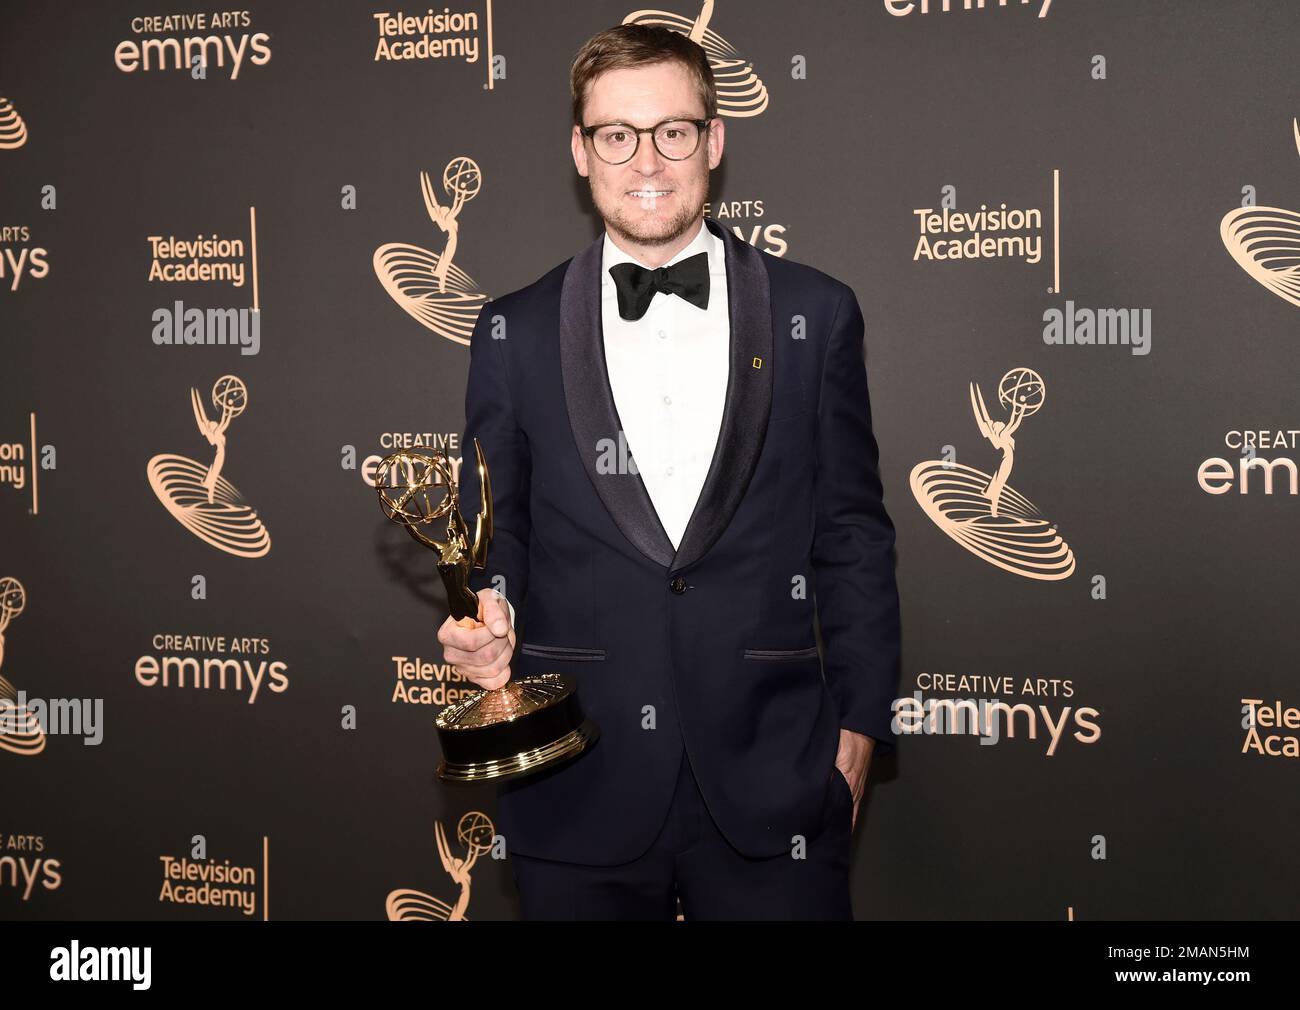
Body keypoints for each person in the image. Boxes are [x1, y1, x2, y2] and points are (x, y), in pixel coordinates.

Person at [436, 23, 901, 920]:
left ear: (714, 141)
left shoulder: (817, 312)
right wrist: (483, 615)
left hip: (778, 784)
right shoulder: (512, 330)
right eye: (617, 134)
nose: (645, 159)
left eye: (673, 131)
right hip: (576, 784)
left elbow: (852, 532)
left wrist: (858, 736)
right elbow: (498, 532)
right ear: (580, 151)